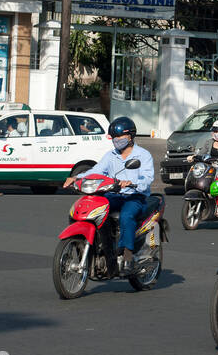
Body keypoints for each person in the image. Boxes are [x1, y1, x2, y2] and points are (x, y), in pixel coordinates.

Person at [62, 116, 154, 273]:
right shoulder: (111, 155)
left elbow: (148, 177)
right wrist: (77, 178)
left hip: (135, 196)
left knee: (126, 215)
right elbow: (96, 171)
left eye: (120, 136)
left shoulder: (143, 155)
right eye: (114, 137)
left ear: (130, 136)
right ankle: (104, 246)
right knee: (95, 210)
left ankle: (127, 255)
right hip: (114, 195)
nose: (116, 140)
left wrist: (132, 183)